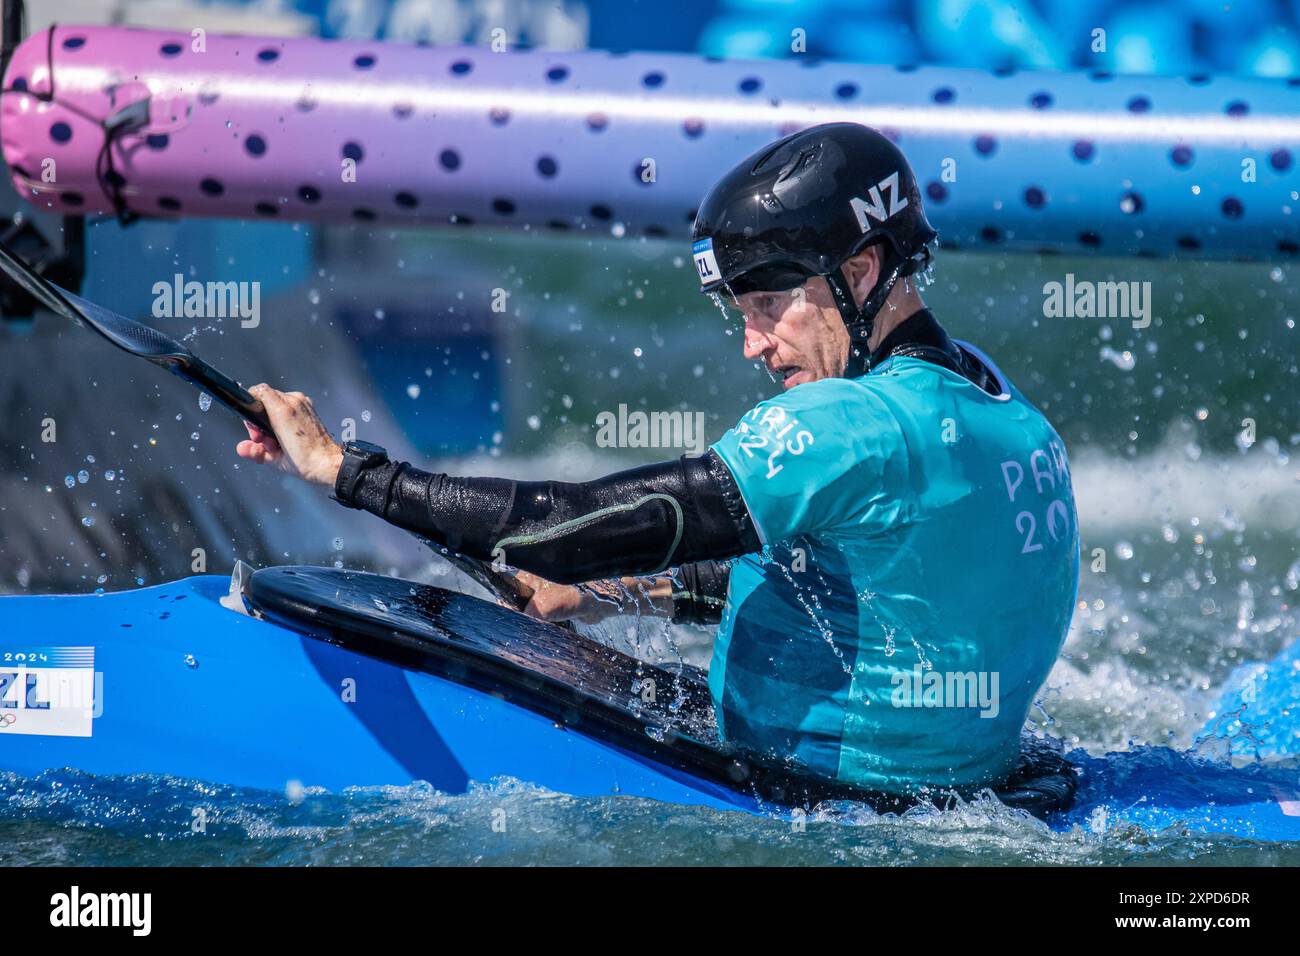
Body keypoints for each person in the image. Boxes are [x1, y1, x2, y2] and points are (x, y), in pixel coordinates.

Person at [237, 122, 1079, 795]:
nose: (754, 345)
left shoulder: (849, 425)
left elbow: (576, 524)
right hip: (955, 798)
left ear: (860, 272)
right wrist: (605, 594)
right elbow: (859, 589)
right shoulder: (996, 401)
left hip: (809, 803)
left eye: (769, 305)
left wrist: (348, 472)